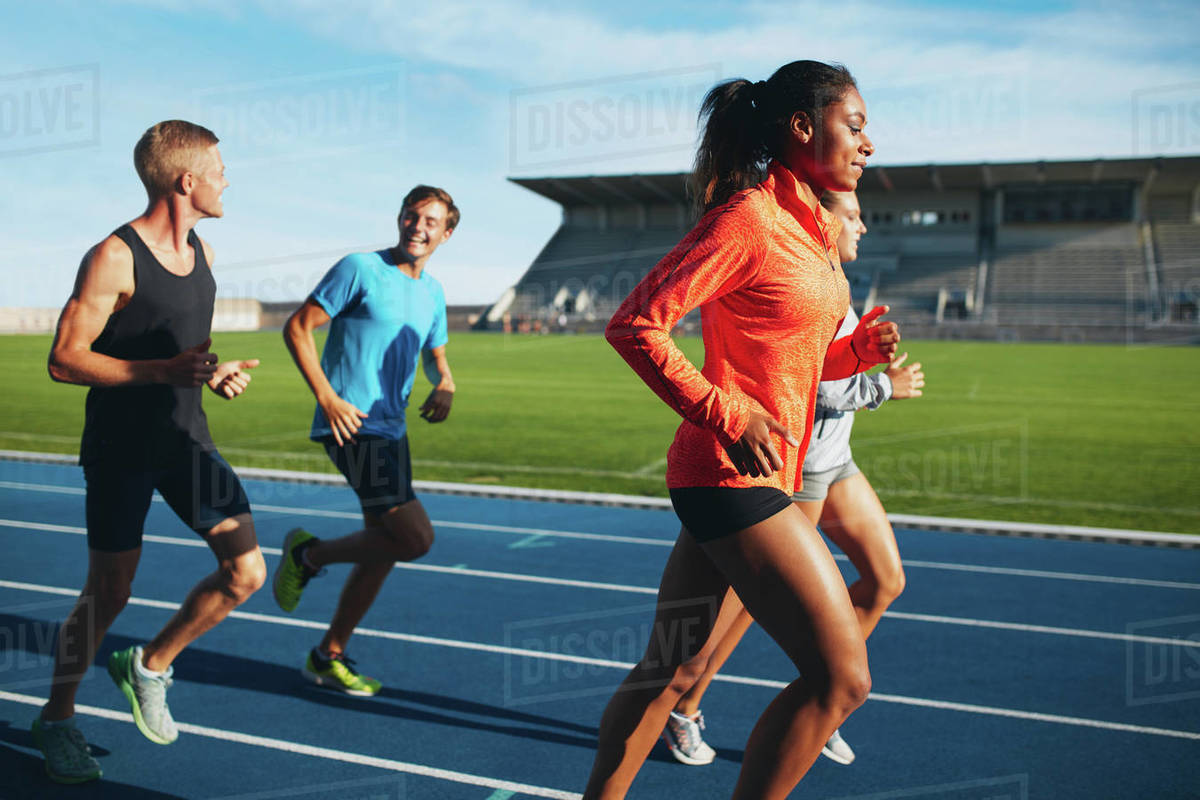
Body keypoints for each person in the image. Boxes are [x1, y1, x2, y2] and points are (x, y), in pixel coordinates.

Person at [584, 60, 899, 800]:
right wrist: (727, 411)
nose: (868, 144)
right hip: (731, 478)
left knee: (674, 669)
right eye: (854, 125)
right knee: (841, 677)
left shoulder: (812, 230)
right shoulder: (749, 218)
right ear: (802, 127)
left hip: (748, 479)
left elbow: (791, 360)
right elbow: (634, 325)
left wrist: (856, 353)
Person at [661, 190, 926, 769]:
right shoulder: (793, 268)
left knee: (885, 580)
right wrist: (884, 387)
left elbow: (832, 369)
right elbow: (815, 387)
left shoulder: (840, 289)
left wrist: (864, 351)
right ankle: (688, 707)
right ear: (823, 218)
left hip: (839, 461)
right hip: (796, 466)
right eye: (854, 216)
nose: (863, 227)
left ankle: (823, 696)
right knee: (747, 607)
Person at [36, 120, 265, 783]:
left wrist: (210, 372)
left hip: (186, 438)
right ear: (185, 180)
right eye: (219, 169)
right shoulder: (113, 255)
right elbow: (63, 359)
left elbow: (182, 348)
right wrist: (162, 372)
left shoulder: (206, 254)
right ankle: (56, 717)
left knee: (245, 572)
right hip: (120, 447)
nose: (227, 180)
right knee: (109, 592)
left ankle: (149, 665)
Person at [274, 185, 458, 695]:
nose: (419, 227)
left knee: (384, 547)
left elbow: (434, 352)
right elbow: (298, 328)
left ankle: (327, 655)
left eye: (431, 221)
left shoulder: (433, 292)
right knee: (416, 538)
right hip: (351, 425)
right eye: (412, 216)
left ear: (446, 233)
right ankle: (306, 557)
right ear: (400, 219)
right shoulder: (360, 268)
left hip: (393, 430)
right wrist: (328, 398)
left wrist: (444, 380)